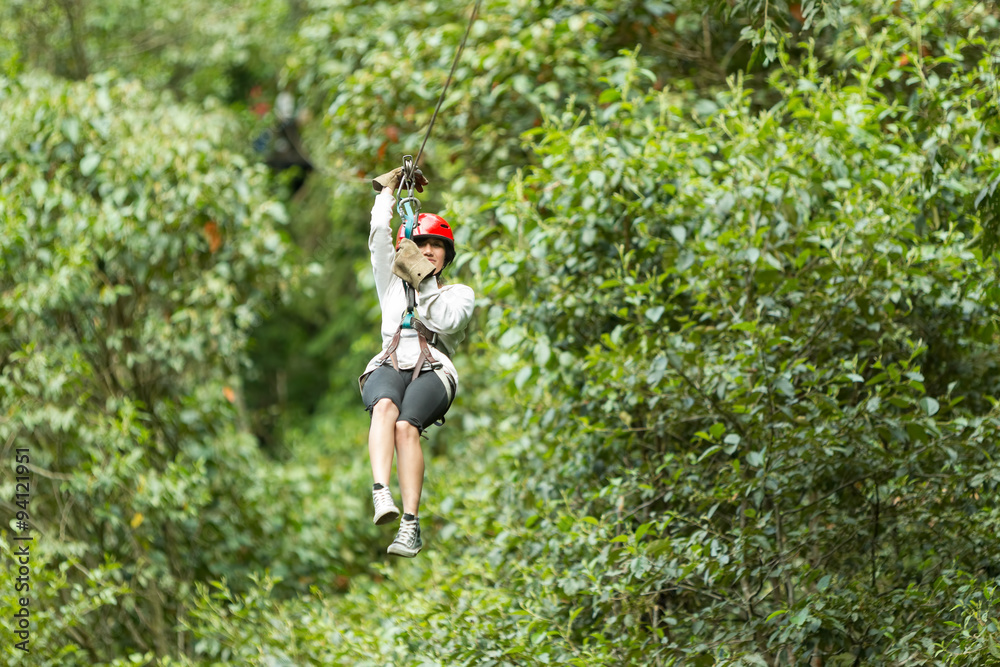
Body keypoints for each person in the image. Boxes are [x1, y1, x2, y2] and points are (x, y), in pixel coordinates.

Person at [358, 166, 475, 557]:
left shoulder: (459, 294)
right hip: (390, 360)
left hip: (433, 368)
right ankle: (381, 492)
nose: (426, 251)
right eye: (419, 244)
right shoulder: (389, 283)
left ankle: (410, 525)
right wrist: (387, 191)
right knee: (385, 406)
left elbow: (444, 320)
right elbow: (377, 236)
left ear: (447, 255)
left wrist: (421, 277)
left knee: (407, 426)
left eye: (435, 246)